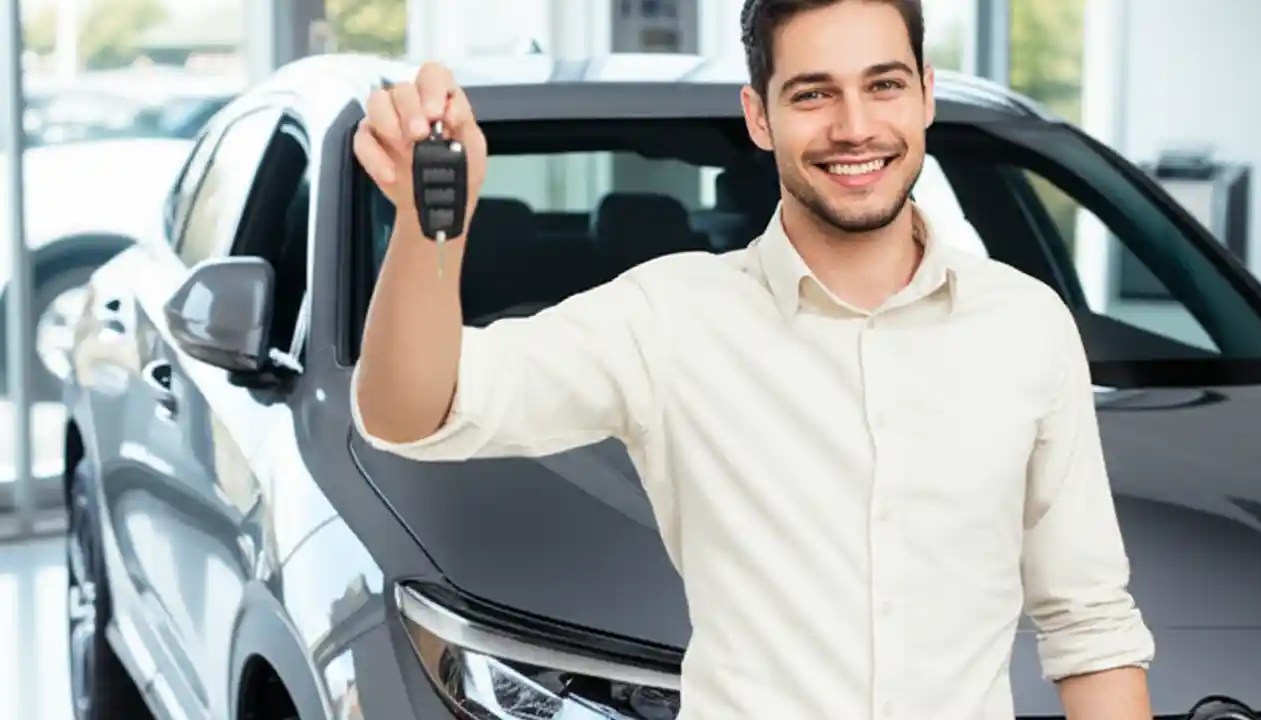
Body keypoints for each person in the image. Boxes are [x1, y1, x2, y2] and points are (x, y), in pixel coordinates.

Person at [350, 0, 1157, 718]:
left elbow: (1089, 624)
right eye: (813, 93)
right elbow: (413, 411)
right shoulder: (669, 318)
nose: (854, 126)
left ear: (924, 94)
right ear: (760, 116)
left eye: (883, 85)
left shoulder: (1026, 325)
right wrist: (430, 225)